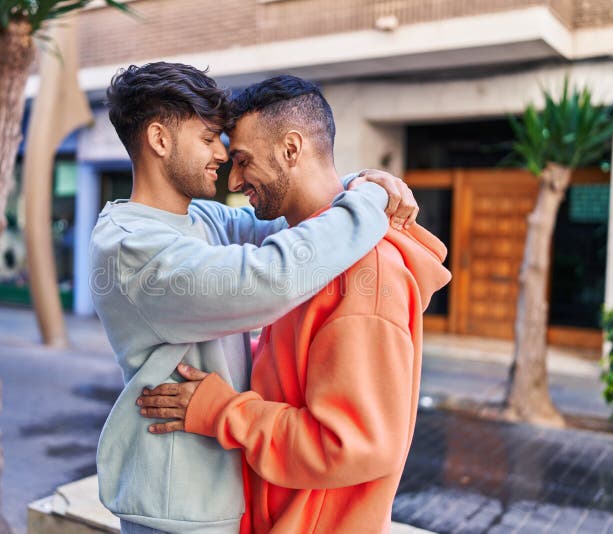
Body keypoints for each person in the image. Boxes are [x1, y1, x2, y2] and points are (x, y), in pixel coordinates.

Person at [90, 62, 418, 534]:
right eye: (208, 139)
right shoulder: (132, 247)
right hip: (178, 506)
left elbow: (298, 221)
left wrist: (357, 183)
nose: (223, 160)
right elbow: (271, 276)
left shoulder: (200, 218)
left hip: (220, 490)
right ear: (160, 141)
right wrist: (367, 201)